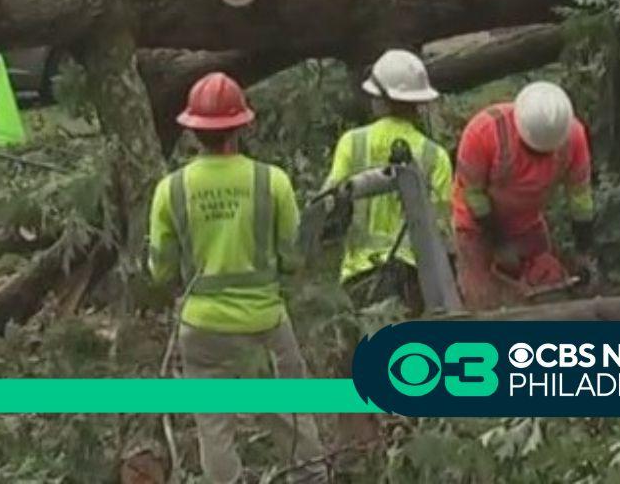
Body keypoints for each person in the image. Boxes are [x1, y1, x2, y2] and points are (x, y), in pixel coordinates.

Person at [149, 72, 326, 484]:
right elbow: (294, 257)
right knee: (290, 415)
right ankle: (313, 479)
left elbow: (159, 270)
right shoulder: (272, 181)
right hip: (264, 323)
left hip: (202, 326)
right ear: (242, 125)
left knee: (215, 427)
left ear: (192, 130)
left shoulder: (170, 190)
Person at [323, 50, 453, 314]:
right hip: (418, 283)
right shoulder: (435, 156)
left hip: (359, 277)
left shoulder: (352, 143)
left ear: (379, 100)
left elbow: (329, 206)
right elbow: (445, 231)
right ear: (418, 103)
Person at [451, 80, 597, 310]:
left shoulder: (574, 137)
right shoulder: (484, 133)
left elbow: (580, 198)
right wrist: (499, 243)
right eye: (533, 151)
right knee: (483, 301)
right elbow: (474, 194)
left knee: (546, 289)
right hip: (477, 225)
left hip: (528, 222)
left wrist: (584, 250)